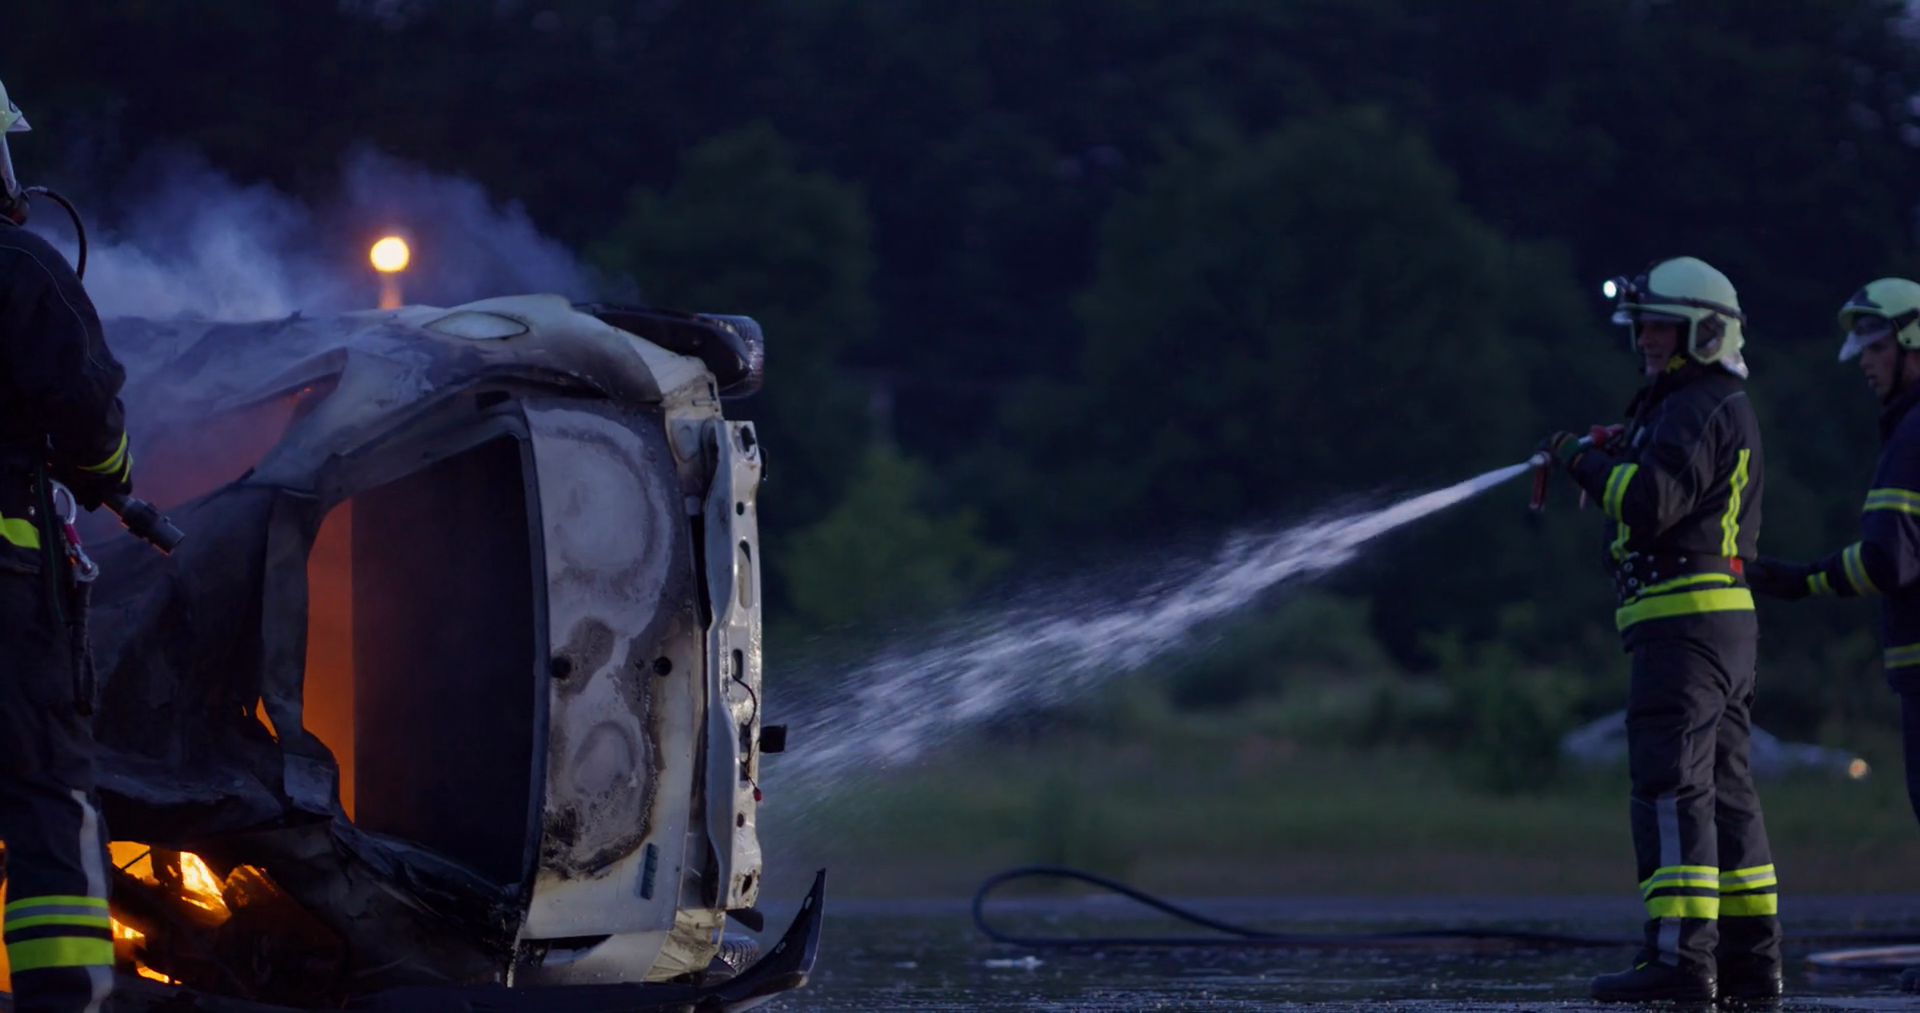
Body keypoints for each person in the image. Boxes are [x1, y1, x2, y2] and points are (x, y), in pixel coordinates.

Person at [1537, 256, 1780, 1002]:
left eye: (1658, 324)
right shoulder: (1698, 403)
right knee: (1728, 793)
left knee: (1671, 789)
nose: (1643, 337)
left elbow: (1652, 501)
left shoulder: (1696, 403)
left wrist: (1579, 459)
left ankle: (1679, 958)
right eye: (1640, 324)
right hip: (1717, 629)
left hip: (1683, 627)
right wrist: (1617, 445)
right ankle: (1749, 959)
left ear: (1703, 331)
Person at [0, 78, 134, 1013]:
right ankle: (64, 998)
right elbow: (89, 417)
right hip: (8, 582)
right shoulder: (20, 271)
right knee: (45, 786)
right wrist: (112, 480)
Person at [1744, 277, 1920, 991]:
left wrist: (1798, 578)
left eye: (1876, 347)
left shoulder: (1914, 433)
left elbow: (1886, 557)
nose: (1864, 362)